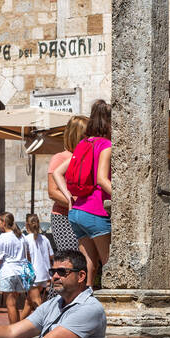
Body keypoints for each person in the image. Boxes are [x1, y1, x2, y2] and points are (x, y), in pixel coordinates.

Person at [54, 99, 112, 288]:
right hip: (96, 212)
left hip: (77, 213)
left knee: (88, 266)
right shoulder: (106, 145)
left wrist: (70, 199)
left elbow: (57, 173)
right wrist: (124, 201)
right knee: (109, 263)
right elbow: (102, 179)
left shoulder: (83, 144)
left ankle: (82, 302)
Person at [46, 114, 88, 253]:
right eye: (86, 134)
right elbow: (52, 191)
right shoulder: (60, 158)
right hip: (64, 217)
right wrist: (77, 203)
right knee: (72, 259)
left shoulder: (89, 156)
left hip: (86, 215)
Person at [0, 212, 31, 325]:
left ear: (4, 223)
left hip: (8, 271)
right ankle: (17, 328)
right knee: (16, 303)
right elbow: (28, 255)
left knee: (10, 304)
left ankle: (14, 330)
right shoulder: (22, 236)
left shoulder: (2, 238)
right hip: (21, 272)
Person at [22, 213, 54, 318]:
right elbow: (51, 256)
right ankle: (17, 325)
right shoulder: (45, 239)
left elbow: (24, 257)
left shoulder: (25, 239)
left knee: (37, 301)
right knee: (29, 302)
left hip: (32, 274)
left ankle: (46, 322)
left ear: (27, 225)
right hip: (44, 273)